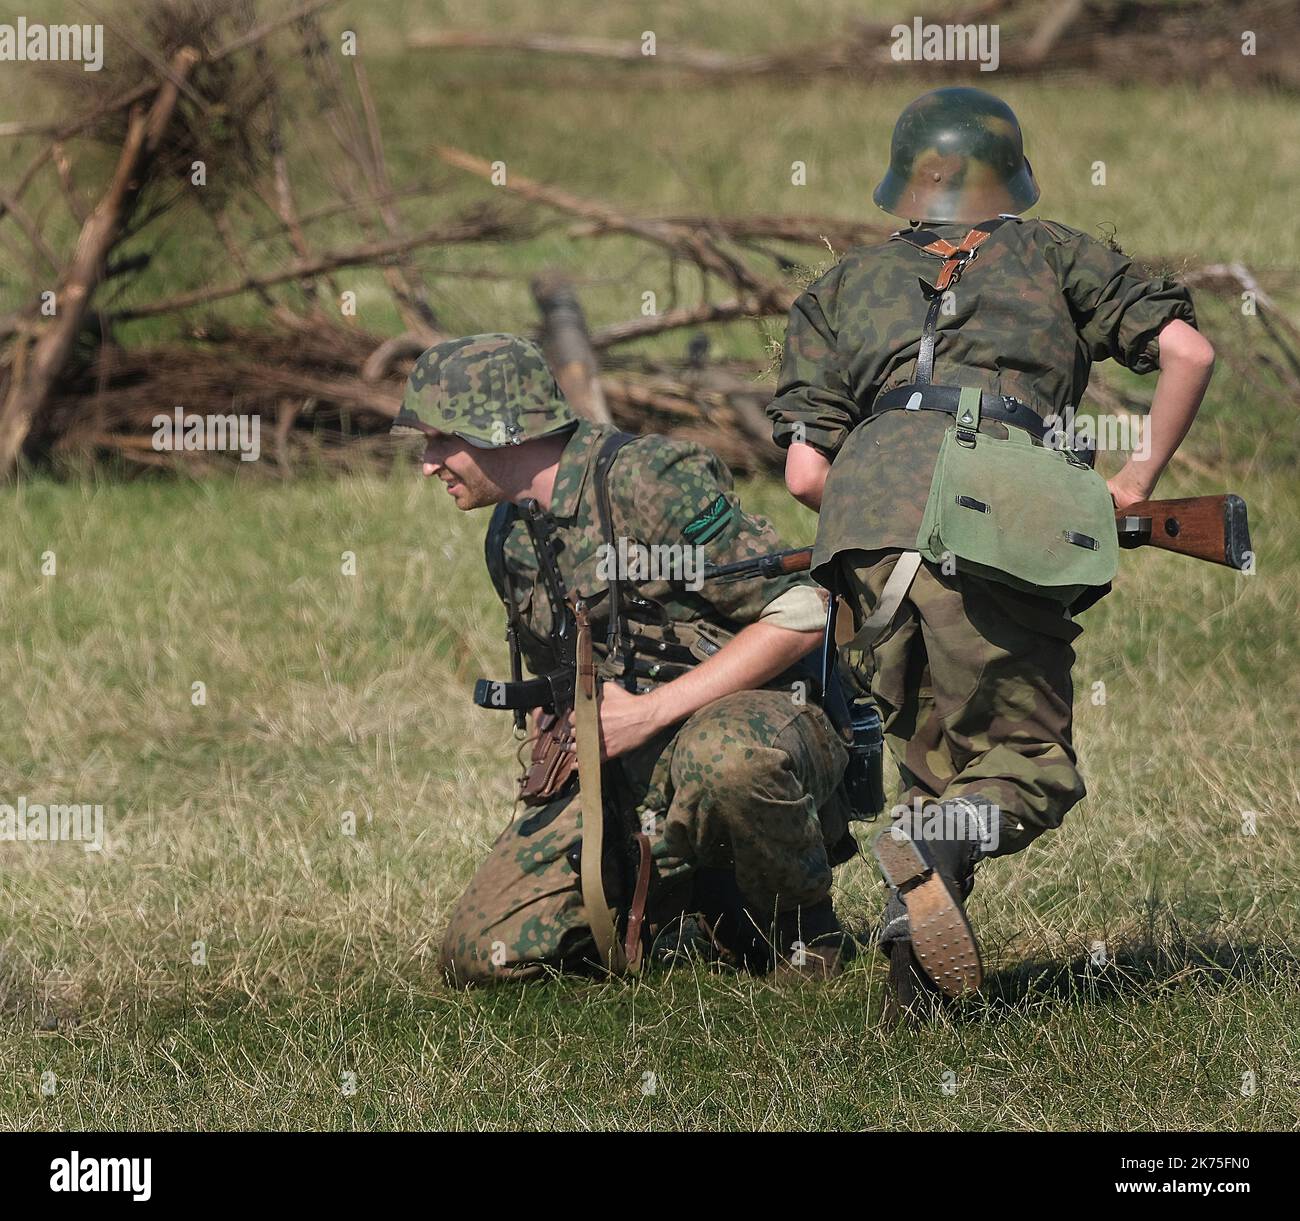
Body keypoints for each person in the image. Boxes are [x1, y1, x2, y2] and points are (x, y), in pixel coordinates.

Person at [767, 87, 1215, 1007]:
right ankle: (933, 849)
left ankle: (915, 995)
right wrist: (1136, 482)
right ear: (1010, 174)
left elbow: (806, 475)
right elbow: (1189, 353)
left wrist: (884, 500)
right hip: (998, 507)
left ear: (904, 183)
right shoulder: (1056, 252)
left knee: (931, 764)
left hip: (864, 530)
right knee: (1029, 766)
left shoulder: (840, 283)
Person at [394, 333, 857, 986]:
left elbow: (806, 612)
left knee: (727, 760)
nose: (427, 462)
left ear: (502, 432)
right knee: (479, 955)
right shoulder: (512, 532)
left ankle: (801, 932)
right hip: (624, 768)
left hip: (758, 724)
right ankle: (690, 902)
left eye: (443, 439)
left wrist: (651, 711)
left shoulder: (649, 481)